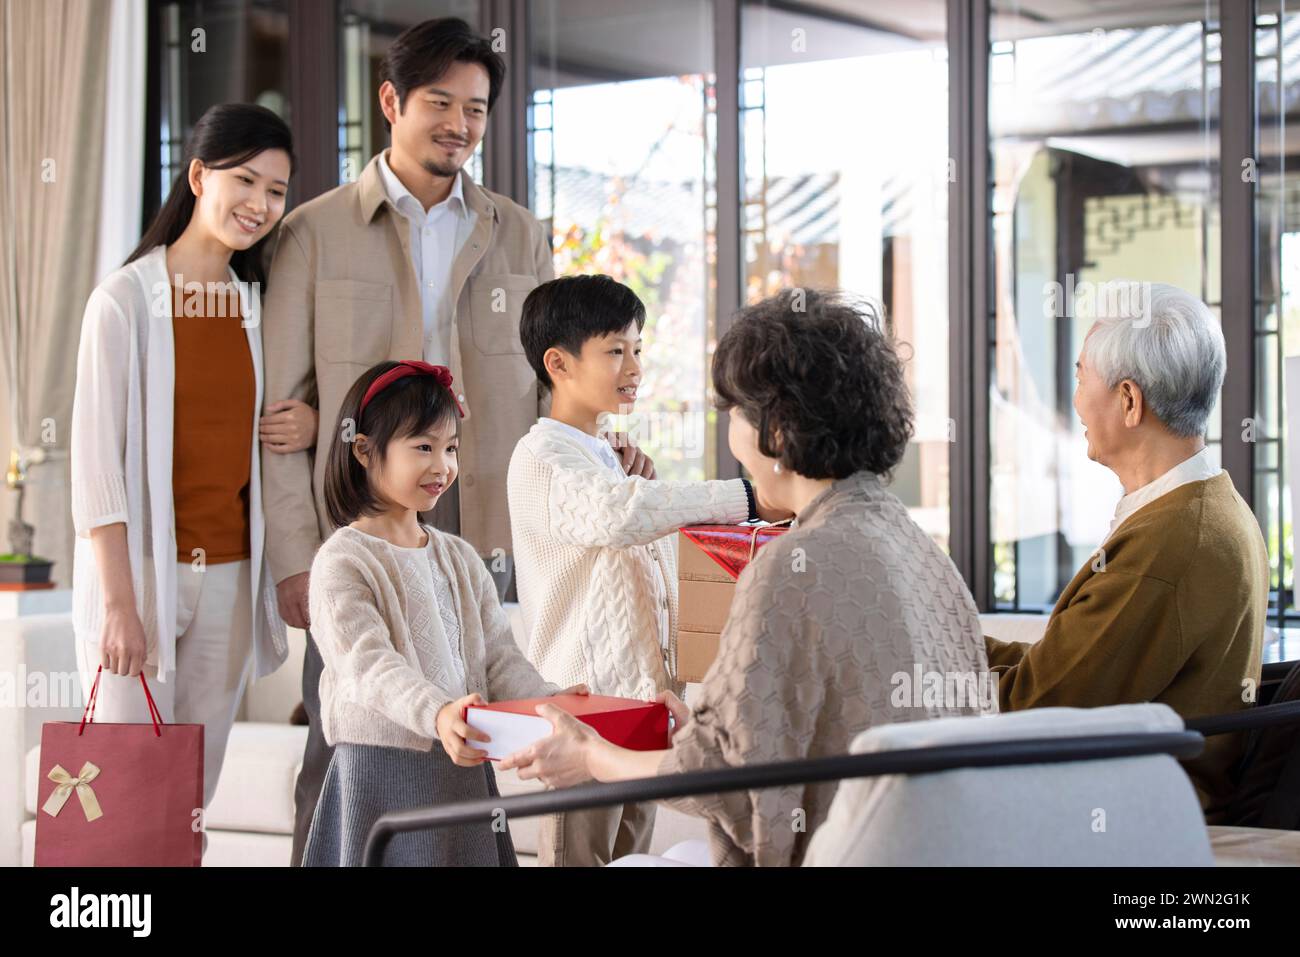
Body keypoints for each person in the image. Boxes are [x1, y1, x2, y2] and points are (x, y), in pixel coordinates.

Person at [502, 289, 993, 866]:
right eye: (617, 351)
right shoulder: (916, 547)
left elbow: (730, 775)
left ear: (776, 431)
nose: (633, 366)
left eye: (733, 409)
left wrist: (632, 750)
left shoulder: (788, 566)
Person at [260, 17, 555, 864]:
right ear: (391, 102)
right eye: (440, 103)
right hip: (354, 531)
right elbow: (283, 414)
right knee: (344, 740)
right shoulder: (312, 234)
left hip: (481, 533)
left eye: (476, 107)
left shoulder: (519, 234)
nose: (459, 124)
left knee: (470, 740)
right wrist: (292, 553)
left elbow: (548, 387)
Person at [69, 103, 315, 812]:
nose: (262, 204)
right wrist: (119, 605)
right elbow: (96, 471)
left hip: (230, 578)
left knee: (188, 797)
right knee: (121, 797)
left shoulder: (251, 307)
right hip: (138, 574)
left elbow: (275, 419)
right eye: (246, 180)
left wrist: (311, 418)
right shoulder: (121, 302)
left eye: (277, 190)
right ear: (200, 175)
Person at [507, 275, 787, 866]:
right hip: (581, 707)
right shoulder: (541, 455)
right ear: (558, 363)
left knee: (630, 859)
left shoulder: (611, 456)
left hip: (642, 706)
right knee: (576, 858)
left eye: (638, 348)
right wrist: (746, 497)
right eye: (615, 350)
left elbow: (648, 562)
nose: (634, 366)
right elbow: (618, 518)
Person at [985, 283, 1268, 821]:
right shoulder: (1207, 507)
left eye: (1079, 378)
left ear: (1129, 400)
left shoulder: (1172, 544)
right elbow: (1063, 672)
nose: (1074, 400)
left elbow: (1034, 708)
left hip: (1128, 813)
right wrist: (942, 644)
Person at [301, 360, 582, 866]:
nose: (442, 465)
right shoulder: (342, 560)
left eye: (450, 448)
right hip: (381, 773)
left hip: (463, 766)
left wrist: (550, 702)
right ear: (364, 450)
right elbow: (369, 667)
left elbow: (499, 658)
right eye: (423, 447)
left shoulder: (458, 556)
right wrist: (437, 713)